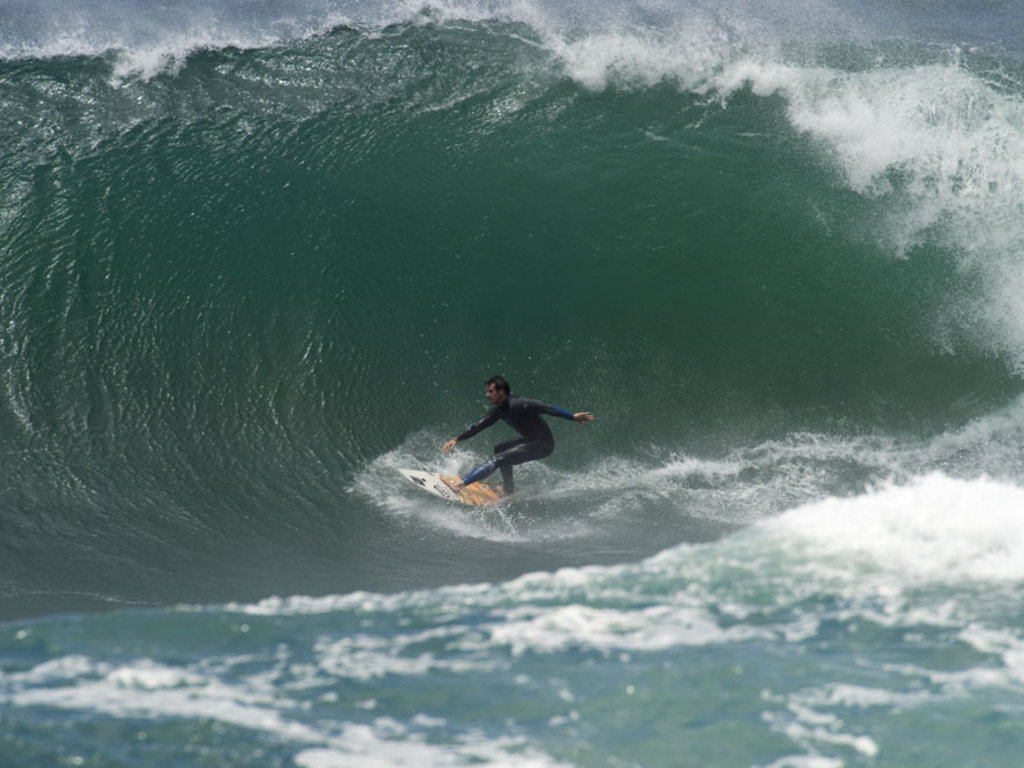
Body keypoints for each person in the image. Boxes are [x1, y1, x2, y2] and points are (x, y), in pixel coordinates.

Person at [441, 375, 594, 495]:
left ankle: (459, 484)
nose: (487, 395)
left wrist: (572, 417)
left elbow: (548, 408)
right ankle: (509, 490)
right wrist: (457, 438)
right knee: (500, 448)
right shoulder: (500, 410)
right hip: (531, 441)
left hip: (543, 444)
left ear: (501, 392)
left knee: (497, 459)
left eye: (491, 391)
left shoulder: (520, 403)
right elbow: (480, 425)